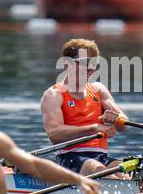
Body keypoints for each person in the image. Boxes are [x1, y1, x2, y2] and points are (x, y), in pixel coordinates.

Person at [40, 39, 131, 178]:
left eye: (93, 62)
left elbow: (125, 125)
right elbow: (54, 135)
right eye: (84, 62)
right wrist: (92, 128)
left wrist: (115, 120)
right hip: (70, 158)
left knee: (125, 174)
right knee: (98, 169)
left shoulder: (98, 89)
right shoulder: (54, 95)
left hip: (100, 156)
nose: (90, 68)